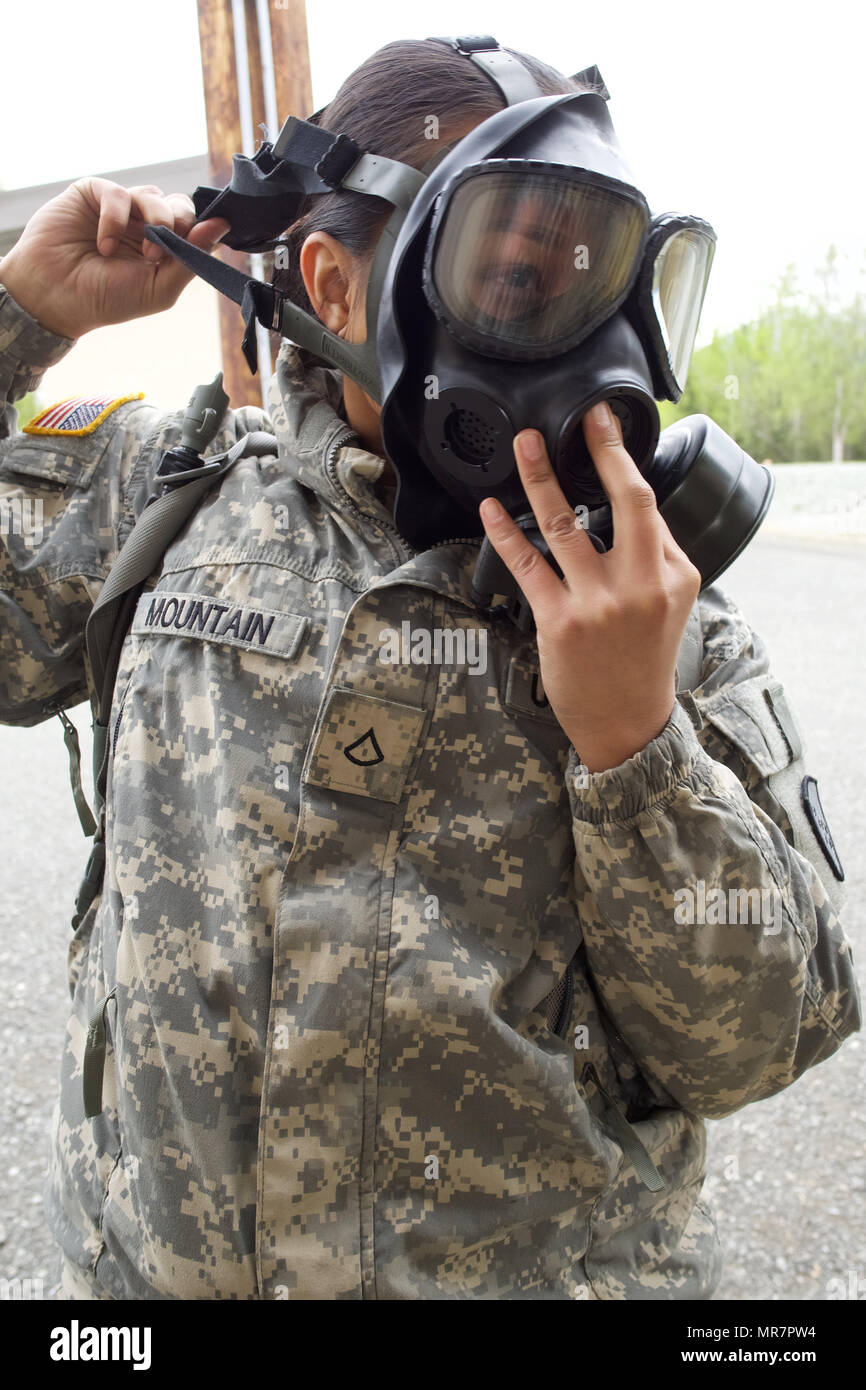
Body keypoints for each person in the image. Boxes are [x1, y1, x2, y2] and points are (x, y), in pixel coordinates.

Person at [0, 38, 859, 1302]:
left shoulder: (659, 614)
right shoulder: (164, 498)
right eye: (520, 282)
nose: (598, 355)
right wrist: (21, 319)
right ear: (336, 286)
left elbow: (760, 1039)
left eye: (613, 289)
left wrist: (633, 743)